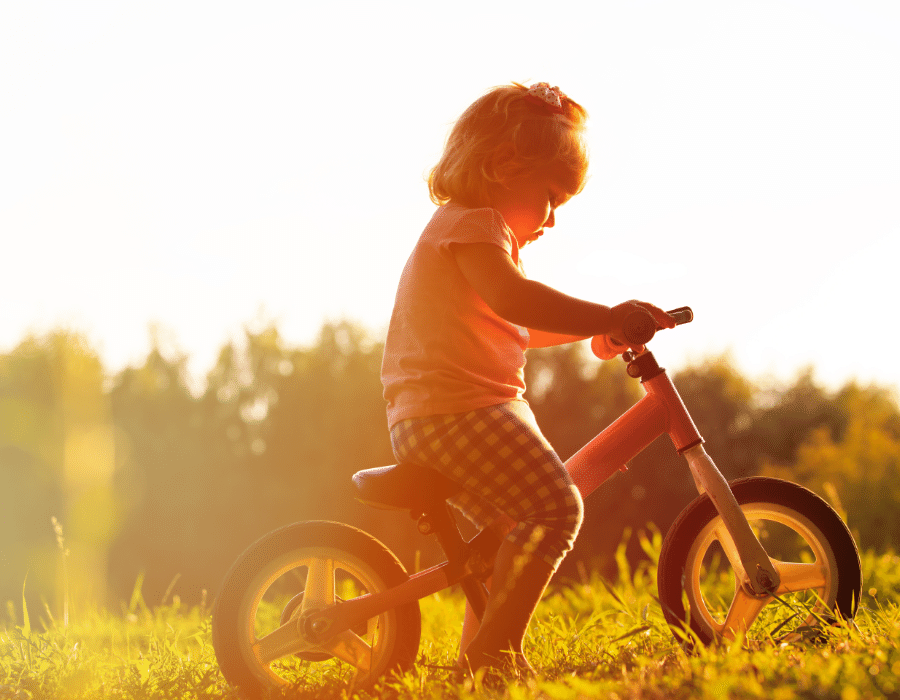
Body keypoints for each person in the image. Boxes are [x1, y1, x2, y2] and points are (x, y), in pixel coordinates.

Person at [380, 82, 674, 677]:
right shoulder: (471, 225)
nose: (554, 219)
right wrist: (606, 314)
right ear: (502, 166)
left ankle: (479, 652)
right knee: (556, 508)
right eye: (551, 196)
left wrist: (602, 331)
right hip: (454, 414)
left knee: (514, 525)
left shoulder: (478, 237)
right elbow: (516, 300)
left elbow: (517, 324)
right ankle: (495, 654)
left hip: (455, 414)